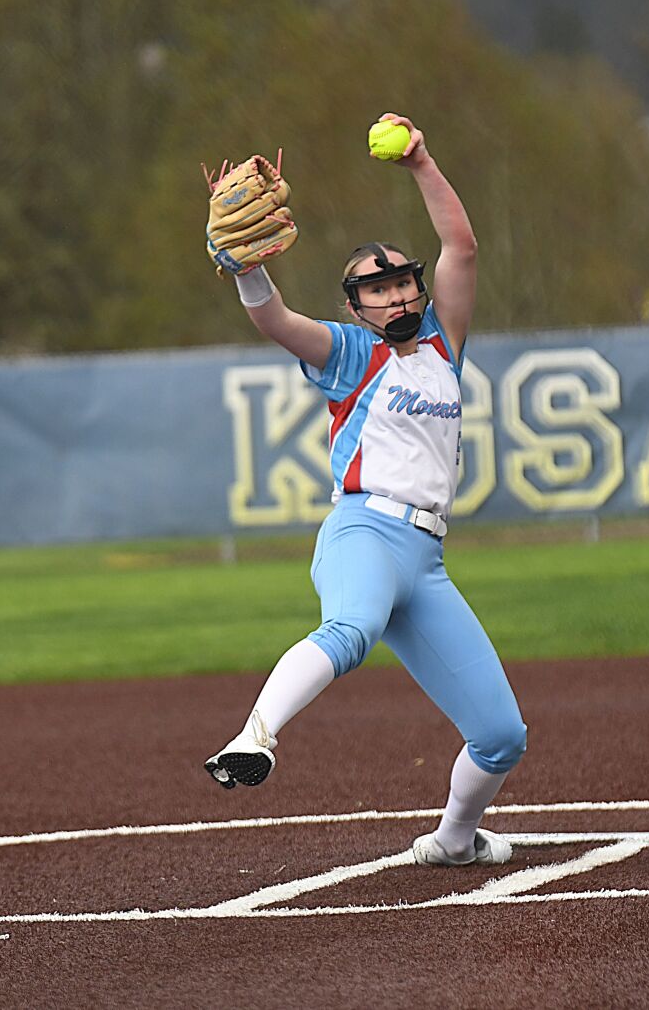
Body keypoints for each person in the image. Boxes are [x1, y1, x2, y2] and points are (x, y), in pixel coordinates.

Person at [204, 113, 527, 867]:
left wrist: (421, 160)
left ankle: (452, 841)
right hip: (364, 533)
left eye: (401, 281)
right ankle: (254, 736)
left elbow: (463, 246)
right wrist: (246, 268)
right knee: (349, 631)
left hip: (428, 559)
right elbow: (277, 323)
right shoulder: (350, 352)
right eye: (375, 290)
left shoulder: (444, 342)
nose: (394, 295)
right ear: (354, 307)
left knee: (502, 735)